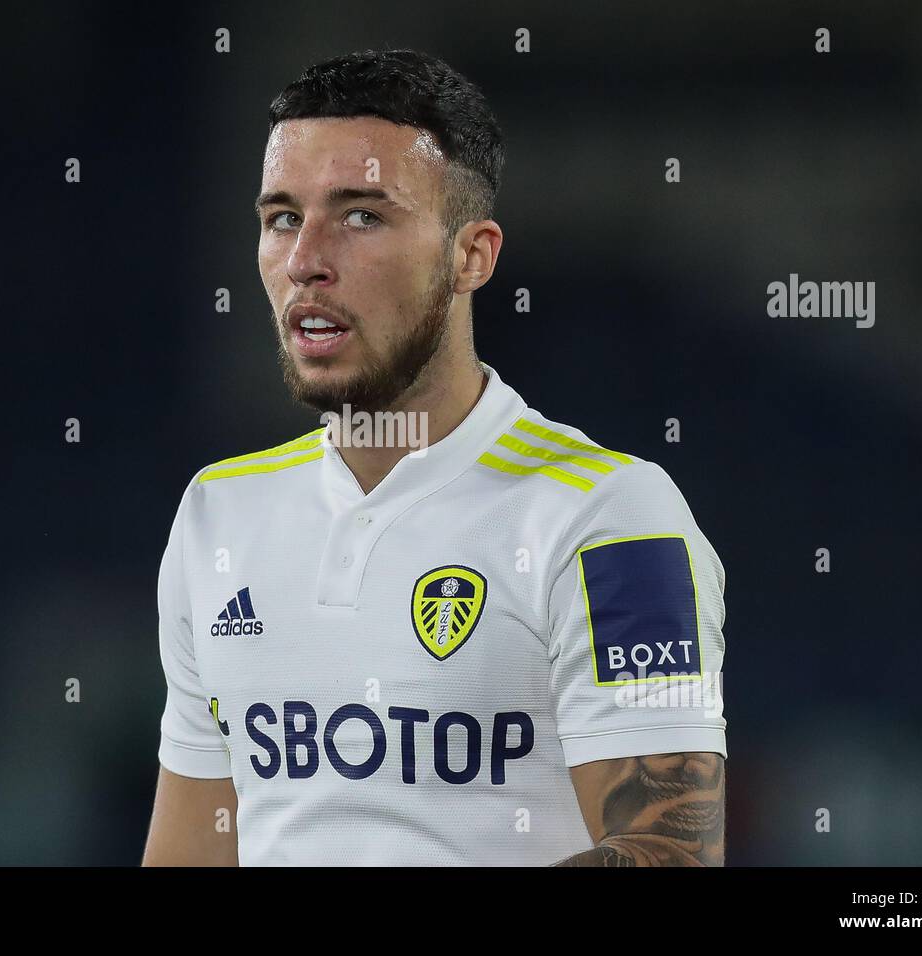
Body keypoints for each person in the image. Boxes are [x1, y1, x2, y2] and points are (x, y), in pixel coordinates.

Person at [142, 48, 726, 866]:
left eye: (362, 215)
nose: (307, 258)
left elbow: (672, 851)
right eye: (282, 218)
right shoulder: (219, 513)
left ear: (472, 255)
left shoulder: (608, 514)